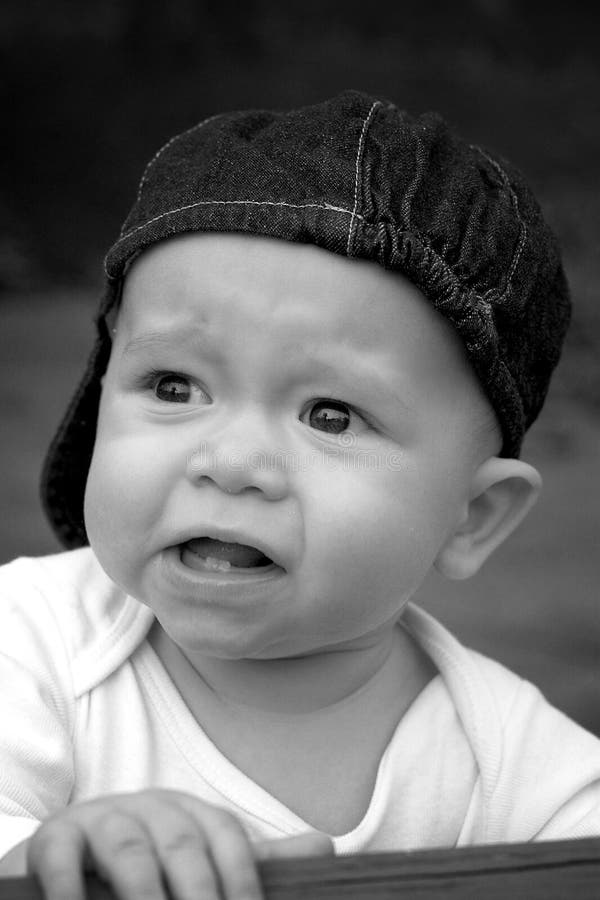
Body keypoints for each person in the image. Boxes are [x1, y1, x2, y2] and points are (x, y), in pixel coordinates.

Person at [1, 90, 598, 900]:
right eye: (174, 386)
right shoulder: (33, 642)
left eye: (331, 413)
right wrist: (38, 860)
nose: (232, 462)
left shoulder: (523, 772)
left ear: (473, 518)